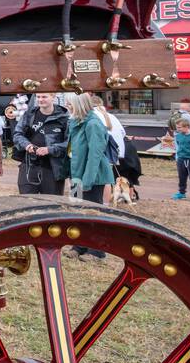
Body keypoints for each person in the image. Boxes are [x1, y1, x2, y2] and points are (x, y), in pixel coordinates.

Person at [67, 94, 115, 258]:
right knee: (77, 211)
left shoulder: (93, 124)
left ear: (79, 105)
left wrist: (87, 180)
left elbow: (95, 154)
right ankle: (79, 246)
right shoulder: (76, 122)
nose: (67, 105)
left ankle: (97, 251)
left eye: (70, 103)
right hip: (77, 174)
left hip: (92, 176)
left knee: (92, 212)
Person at [12, 92, 69, 195]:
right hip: (29, 165)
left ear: (53, 97)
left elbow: (69, 144)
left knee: (51, 205)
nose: (40, 99)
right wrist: (27, 145)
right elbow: (17, 134)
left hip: (53, 169)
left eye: (44, 97)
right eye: (38, 97)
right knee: (26, 202)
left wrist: (49, 149)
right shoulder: (30, 114)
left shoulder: (63, 117)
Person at [92, 94, 126, 203]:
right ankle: (105, 203)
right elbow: (123, 133)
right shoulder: (111, 116)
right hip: (113, 151)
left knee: (100, 179)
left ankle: (97, 201)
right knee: (107, 178)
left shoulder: (92, 115)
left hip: (101, 151)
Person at [172, 116, 190, 201]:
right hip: (181, 159)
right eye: (177, 127)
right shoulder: (178, 136)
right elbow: (178, 145)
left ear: (186, 127)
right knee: (182, 177)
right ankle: (181, 193)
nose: (178, 129)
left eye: (179, 127)